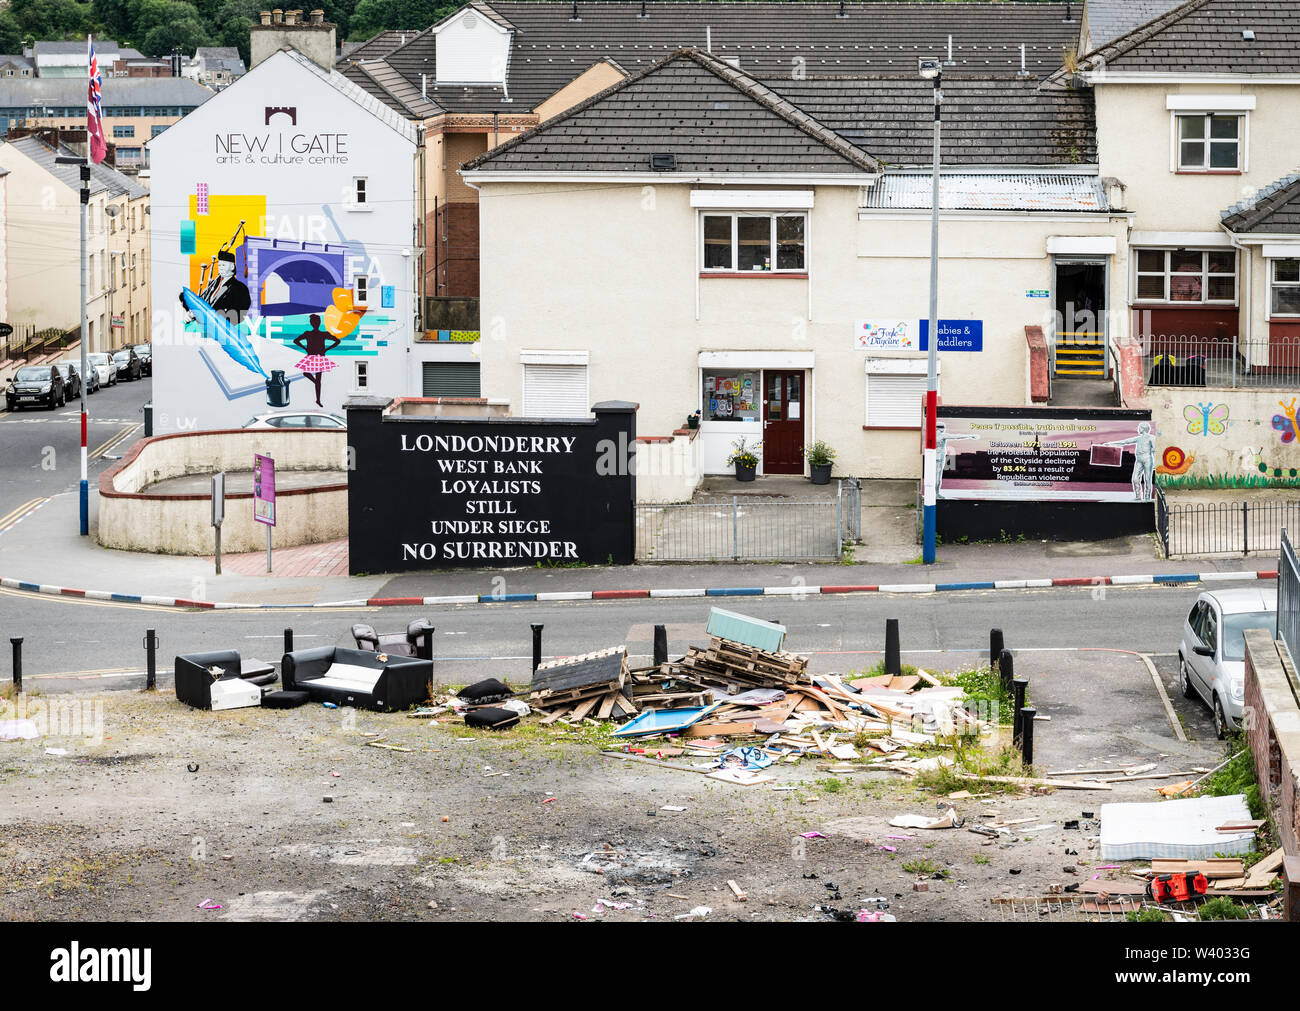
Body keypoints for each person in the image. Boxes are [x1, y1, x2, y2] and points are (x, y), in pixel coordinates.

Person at [180, 250, 251, 325]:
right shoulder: (213, 284)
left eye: (223, 265)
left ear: (232, 267)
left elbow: (239, 314)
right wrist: (191, 314)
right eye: (219, 265)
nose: (220, 268)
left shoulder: (240, 288)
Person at [292, 314, 341, 408]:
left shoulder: (310, 334)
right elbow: (337, 341)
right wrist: (326, 349)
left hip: (315, 356)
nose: (315, 323)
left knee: (310, 375)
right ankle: (317, 388)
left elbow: (296, 341)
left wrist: (305, 348)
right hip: (317, 356)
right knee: (309, 375)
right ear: (318, 323)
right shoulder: (321, 334)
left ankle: (318, 399)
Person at [1099, 421, 1156, 501]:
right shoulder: (1138, 438)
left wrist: (1154, 463)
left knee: (1147, 479)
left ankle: (1147, 497)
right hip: (1138, 459)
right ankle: (1138, 496)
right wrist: (1110, 444)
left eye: (1139, 427)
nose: (1138, 429)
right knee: (1135, 479)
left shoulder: (1152, 438)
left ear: (1143, 428)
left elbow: (1154, 450)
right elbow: (1125, 441)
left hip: (1147, 459)